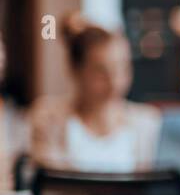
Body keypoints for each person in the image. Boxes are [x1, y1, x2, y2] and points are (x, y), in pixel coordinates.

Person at [29, 15, 160, 173]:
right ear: (76, 71)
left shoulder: (147, 122)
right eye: (101, 72)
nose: (115, 82)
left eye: (122, 68)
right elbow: (49, 184)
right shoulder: (48, 119)